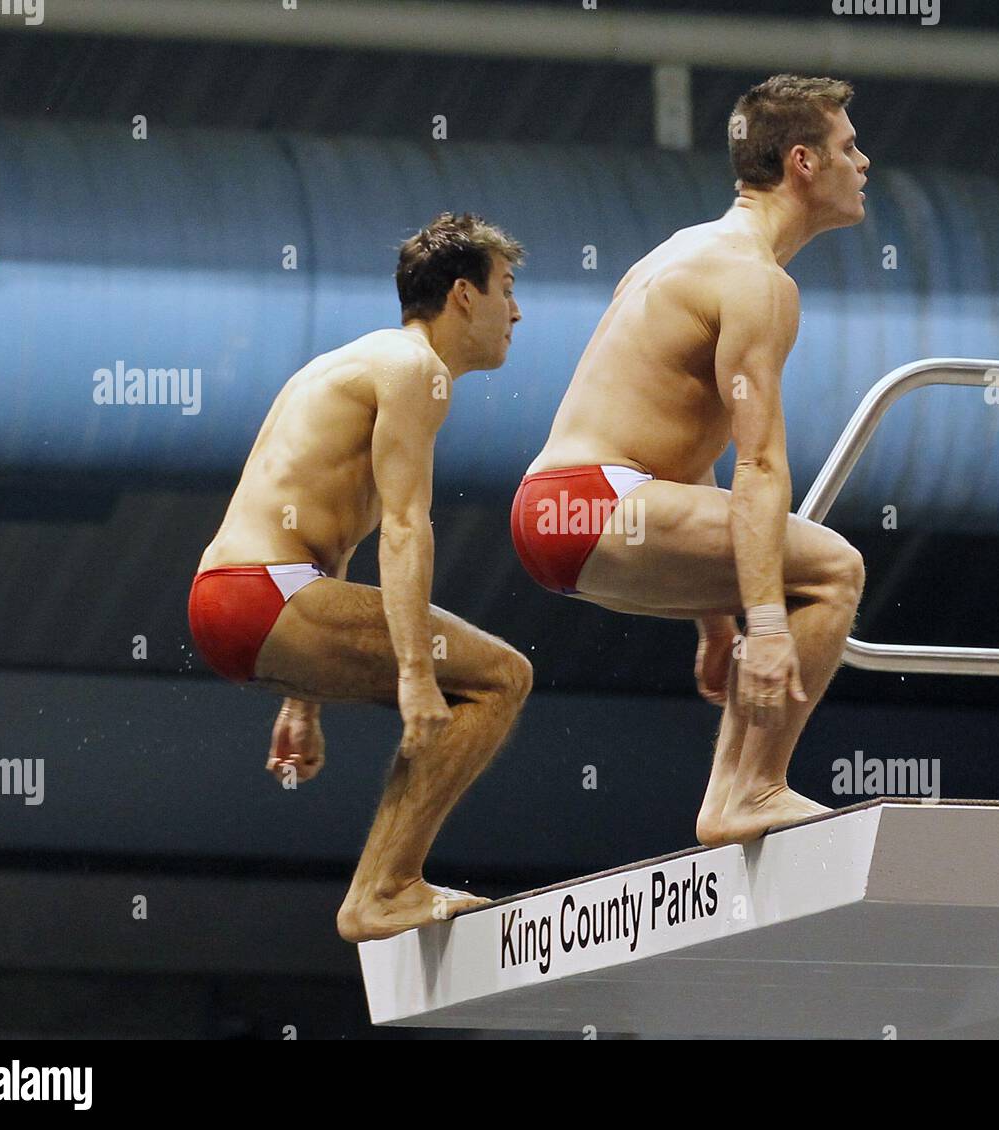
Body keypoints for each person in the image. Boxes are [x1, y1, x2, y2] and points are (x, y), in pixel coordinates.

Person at [512, 75, 868, 846]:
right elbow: (760, 466)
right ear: (803, 162)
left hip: (557, 507)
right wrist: (766, 624)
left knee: (784, 568)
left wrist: (716, 621)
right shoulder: (758, 284)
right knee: (832, 570)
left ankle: (736, 796)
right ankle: (750, 790)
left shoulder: (681, 251)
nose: (863, 162)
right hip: (601, 502)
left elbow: (684, 449)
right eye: (848, 147)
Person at [189, 213, 531, 941]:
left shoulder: (356, 363)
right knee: (501, 677)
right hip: (264, 591)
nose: (518, 310)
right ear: (464, 296)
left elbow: (328, 535)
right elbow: (406, 530)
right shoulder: (416, 372)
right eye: (507, 288)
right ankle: (384, 890)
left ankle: (385, 887)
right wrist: (414, 673)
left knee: (480, 676)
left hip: (237, 597)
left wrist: (302, 701)